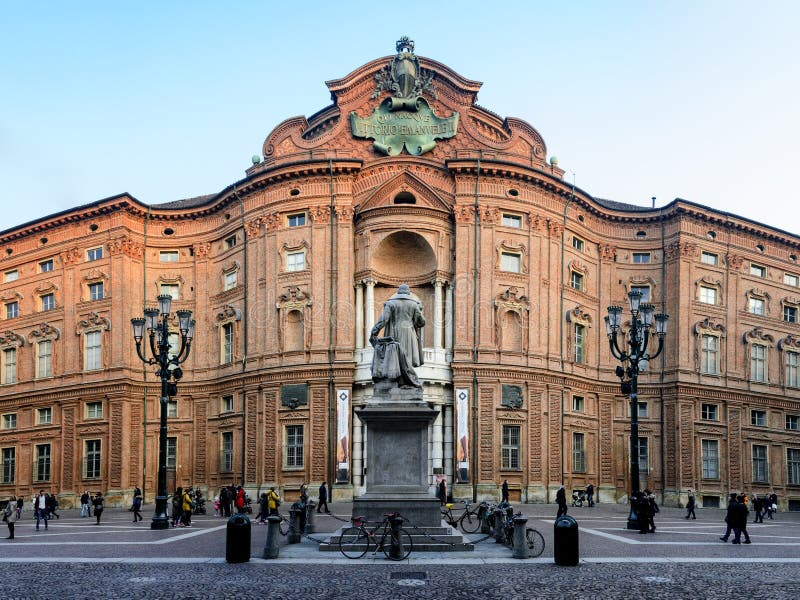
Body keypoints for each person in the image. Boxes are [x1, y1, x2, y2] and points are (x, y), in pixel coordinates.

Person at [369, 284, 426, 389]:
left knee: (394, 358)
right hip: (409, 334)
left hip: (393, 334)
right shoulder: (414, 304)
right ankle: (408, 382)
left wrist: (374, 332)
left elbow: (383, 320)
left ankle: (399, 382)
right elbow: (422, 322)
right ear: (408, 292)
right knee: (406, 359)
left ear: (399, 292)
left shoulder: (390, 303)